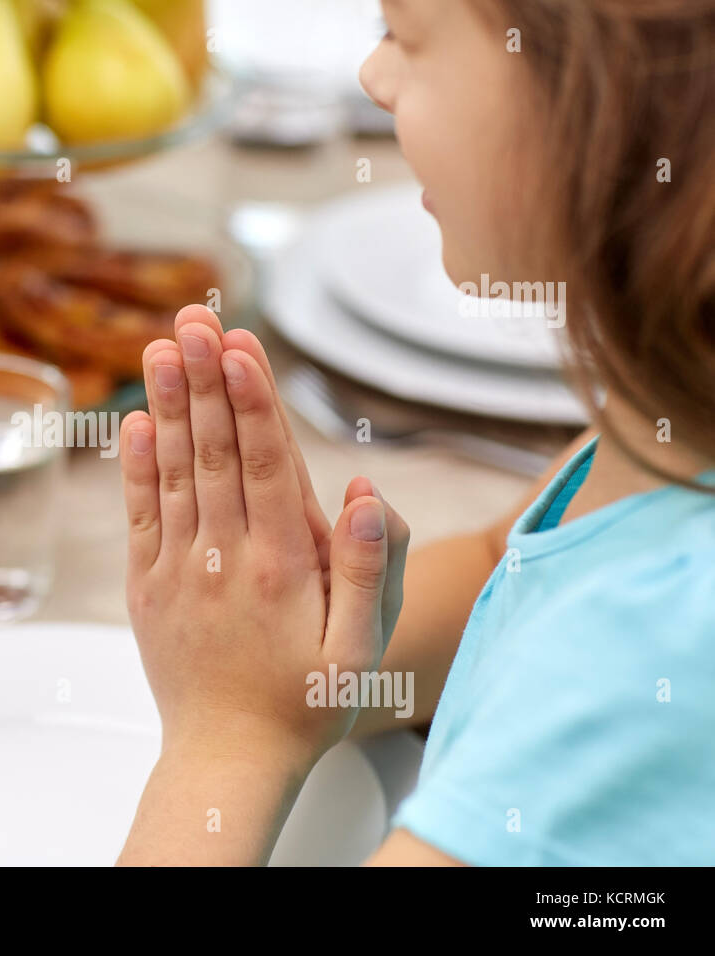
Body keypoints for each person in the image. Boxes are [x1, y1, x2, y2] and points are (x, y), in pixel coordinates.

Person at [116, 0, 715, 865]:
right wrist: (295, 665)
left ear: (595, 107)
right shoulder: (673, 425)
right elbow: (500, 571)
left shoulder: (638, 667)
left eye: (408, 35)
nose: (375, 75)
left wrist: (228, 739)